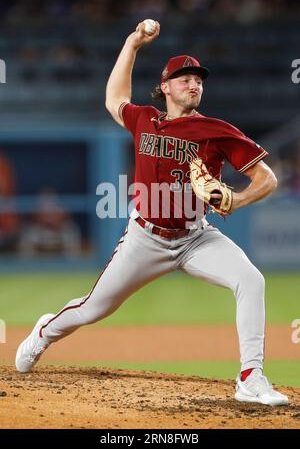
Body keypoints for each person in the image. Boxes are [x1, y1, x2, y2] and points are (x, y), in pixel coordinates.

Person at [15, 20, 288, 406]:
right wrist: (132, 44)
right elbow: (114, 99)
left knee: (251, 280)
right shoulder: (145, 119)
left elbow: (267, 177)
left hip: (197, 236)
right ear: (165, 87)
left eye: (198, 80)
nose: (193, 84)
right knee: (93, 309)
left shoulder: (216, 130)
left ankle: (250, 377)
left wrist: (237, 200)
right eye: (183, 79)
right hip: (145, 237)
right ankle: (44, 332)